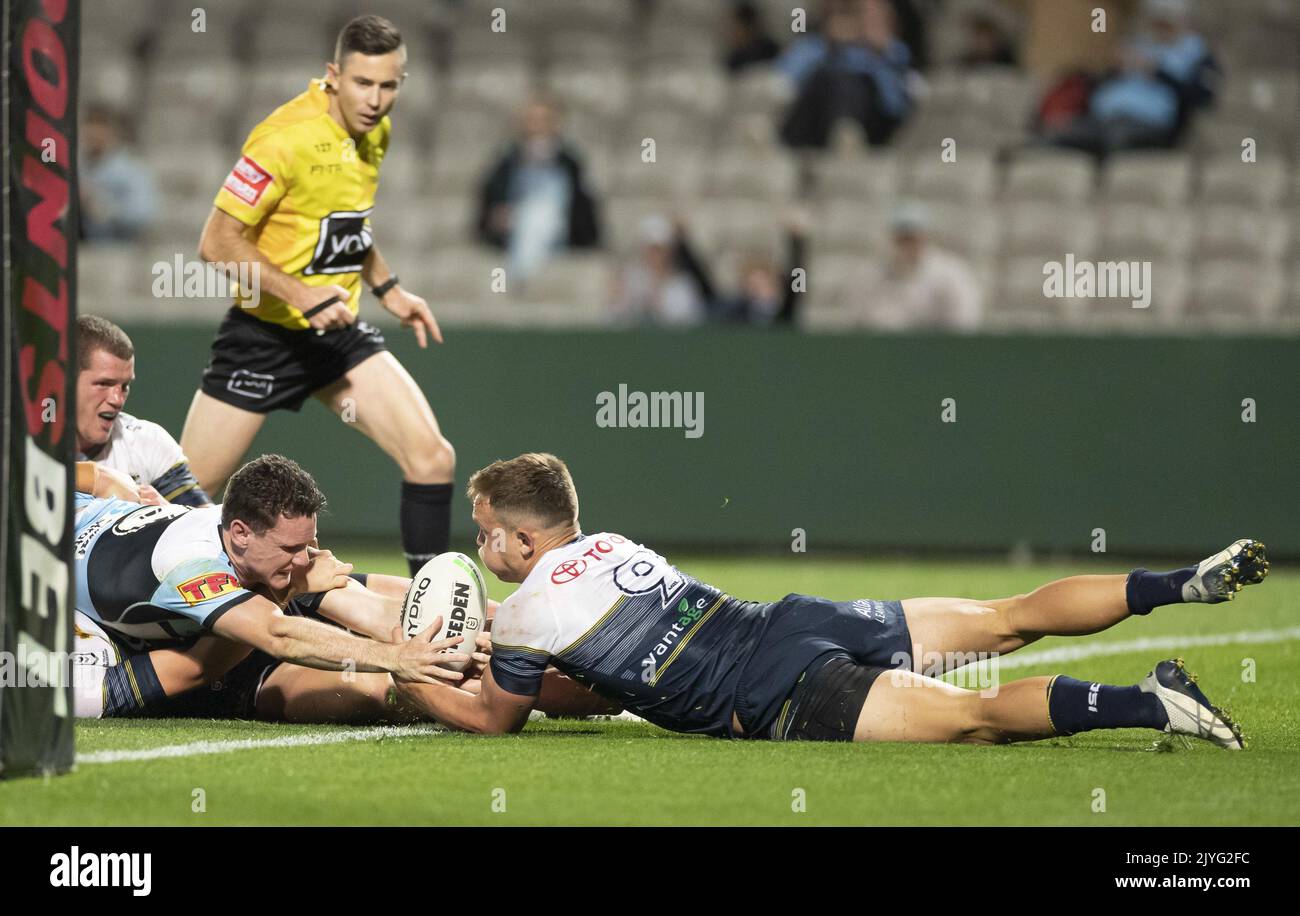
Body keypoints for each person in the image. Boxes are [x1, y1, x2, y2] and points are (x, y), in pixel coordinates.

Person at [395, 452, 1266, 748]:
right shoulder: (613, 547)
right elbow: (598, 684)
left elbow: (492, 720)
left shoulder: (522, 613)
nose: (482, 550)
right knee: (1010, 617)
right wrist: (540, 679)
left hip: (779, 694)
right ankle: (1177, 583)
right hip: (796, 621)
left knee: (979, 717)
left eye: (485, 534)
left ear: (523, 539)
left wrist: (409, 677)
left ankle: (1151, 704)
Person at [179, 15, 456, 578]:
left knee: (432, 458)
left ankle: (431, 610)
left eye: (389, 85)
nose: (376, 99)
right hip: (265, 336)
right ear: (334, 75)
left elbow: (348, 226)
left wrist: (388, 288)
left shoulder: (375, 131)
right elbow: (216, 243)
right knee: (181, 496)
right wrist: (299, 293)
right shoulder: (284, 139)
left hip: (335, 333)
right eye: (363, 83)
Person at [71, 454, 469, 720]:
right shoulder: (186, 567)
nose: (307, 555)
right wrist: (395, 657)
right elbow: (273, 635)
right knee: (371, 688)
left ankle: (488, 650)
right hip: (220, 640)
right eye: (292, 546)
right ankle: (473, 683)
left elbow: (99, 476)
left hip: (242, 588)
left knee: (425, 605)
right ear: (241, 532)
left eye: (307, 542)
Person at [1040, 0, 1219, 158]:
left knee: (1114, 140)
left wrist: (1157, 72)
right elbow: (1097, 85)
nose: (1161, 29)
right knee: (1053, 135)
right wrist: (1113, 69)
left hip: (1149, 125)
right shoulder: (1137, 45)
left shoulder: (1198, 54)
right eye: (1157, 22)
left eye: (1166, 23)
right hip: (1103, 119)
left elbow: (1203, 96)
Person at [75, 316, 209, 506]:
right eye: (104, 384)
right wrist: (100, 480)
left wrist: (169, 514)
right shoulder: (24, 444)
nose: (117, 399)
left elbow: (208, 525)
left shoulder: (147, 443)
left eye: (125, 386)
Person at [474, 94, 602, 281]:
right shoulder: (508, 161)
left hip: (559, 228)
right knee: (530, 219)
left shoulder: (569, 162)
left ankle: (521, 276)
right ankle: (526, 275)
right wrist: (497, 217)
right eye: (532, 120)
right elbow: (490, 202)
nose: (537, 126)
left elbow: (583, 210)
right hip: (514, 230)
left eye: (543, 120)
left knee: (539, 216)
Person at [777, 0, 915, 149]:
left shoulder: (893, 52)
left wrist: (879, 53)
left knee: (849, 82)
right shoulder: (815, 46)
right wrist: (831, 47)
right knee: (828, 78)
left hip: (872, 121)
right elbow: (785, 76)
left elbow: (895, 104)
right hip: (818, 119)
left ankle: (846, 132)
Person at [843, 201, 983, 331]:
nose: (907, 246)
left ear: (925, 237)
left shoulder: (951, 273)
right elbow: (857, 323)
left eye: (912, 238)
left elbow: (964, 322)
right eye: (902, 238)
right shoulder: (870, 274)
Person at [79, 102, 157, 241]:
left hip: (116, 252)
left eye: (101, 125)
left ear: (114, 131)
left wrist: (99, 204)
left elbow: (143, 215)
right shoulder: (76, 167)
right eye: (90, 124)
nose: (94, 132)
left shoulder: (131, 170)